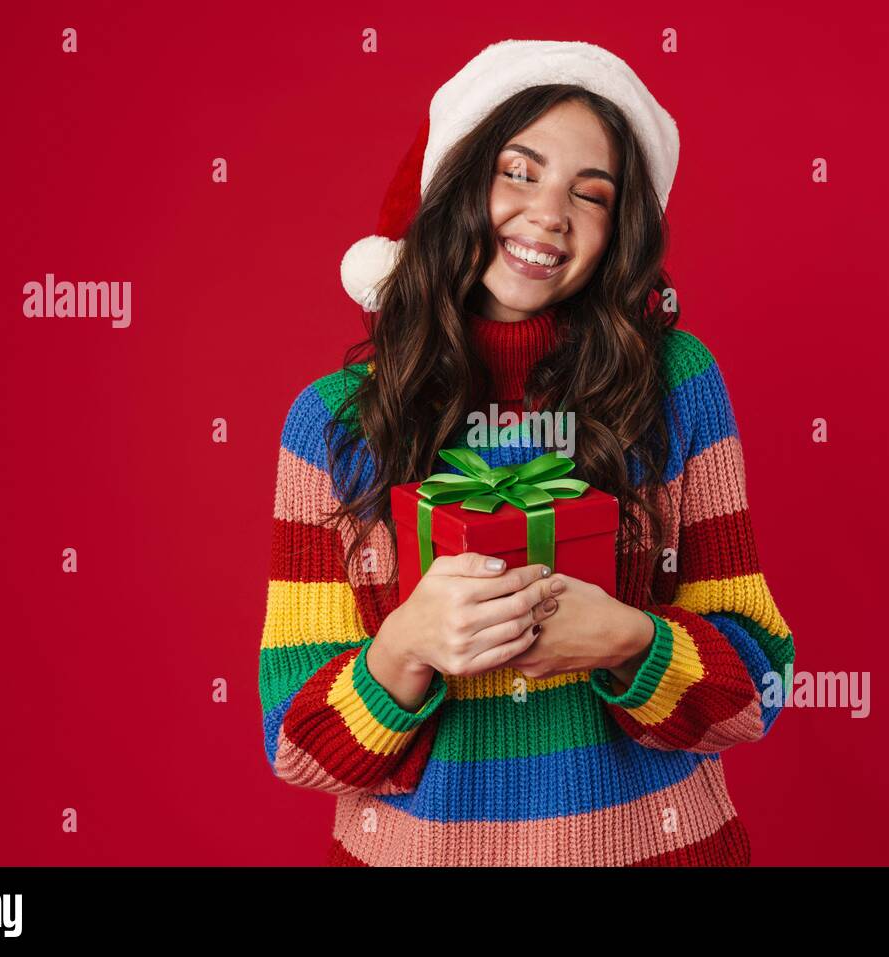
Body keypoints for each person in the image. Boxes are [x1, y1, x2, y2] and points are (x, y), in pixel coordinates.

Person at [257, 39, 796, 866]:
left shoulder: (676, 383)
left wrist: (629, 641)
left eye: (593, 194)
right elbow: (296, 746)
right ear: (459, 183)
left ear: (618, 231)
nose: (551, 212)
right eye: (519, 170)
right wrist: (403, 649)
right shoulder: (334, 424)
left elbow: (760, 692)